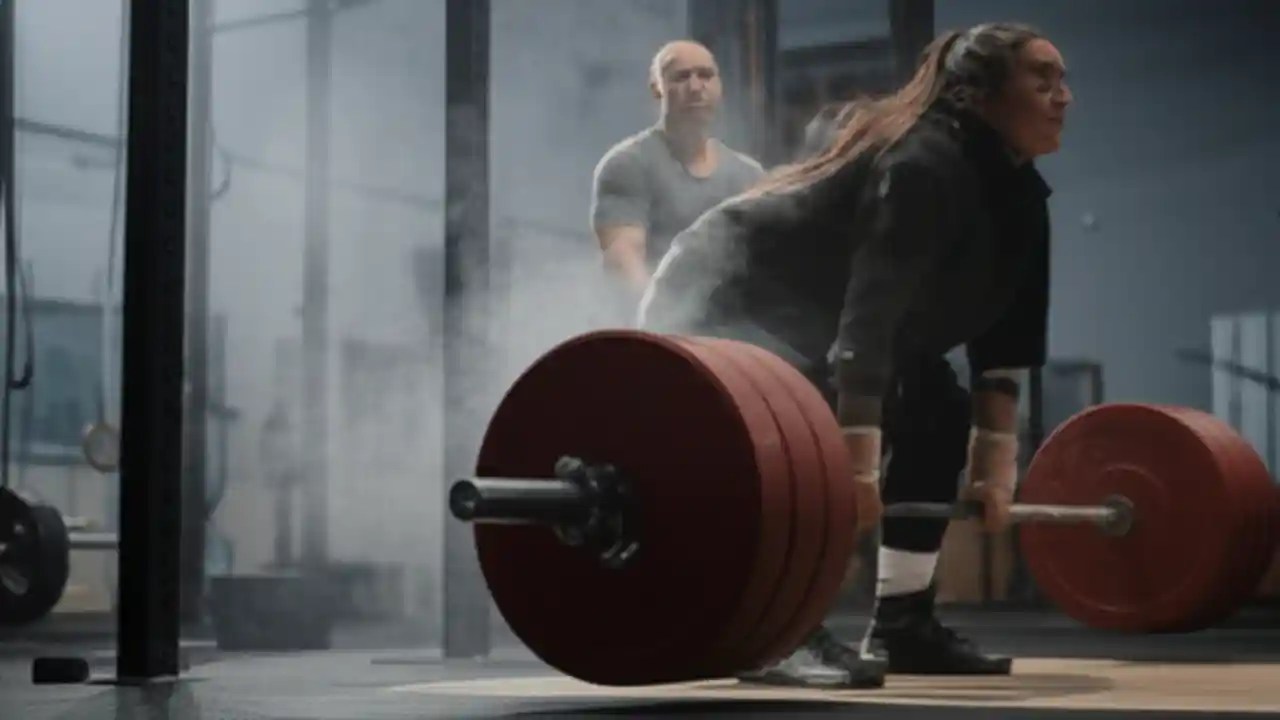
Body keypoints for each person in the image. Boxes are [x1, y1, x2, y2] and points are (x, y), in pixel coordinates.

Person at [637, 22, 1072, 687]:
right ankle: (777, 632)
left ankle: (903, 624)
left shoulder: (1022, 197)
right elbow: (867, 325)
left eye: (1063, 80)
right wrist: (858, 469)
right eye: (1042, 79)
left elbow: (1005, 344)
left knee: (939, 410)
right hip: (722, 291)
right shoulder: (922, 164)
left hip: (821, 322)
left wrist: (994, 470)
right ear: (979, 94)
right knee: (794, 428)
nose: (1062, 96)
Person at [590, 40, 765, 315]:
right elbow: (623, 259)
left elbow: (765, 263)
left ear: (719, 87)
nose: (695, 87)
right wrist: (666, 325)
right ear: (657, 89)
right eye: (681, 77)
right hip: (655, 334)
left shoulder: (749, 175)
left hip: (732, 335)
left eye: (705, 75)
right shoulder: (628, 164)